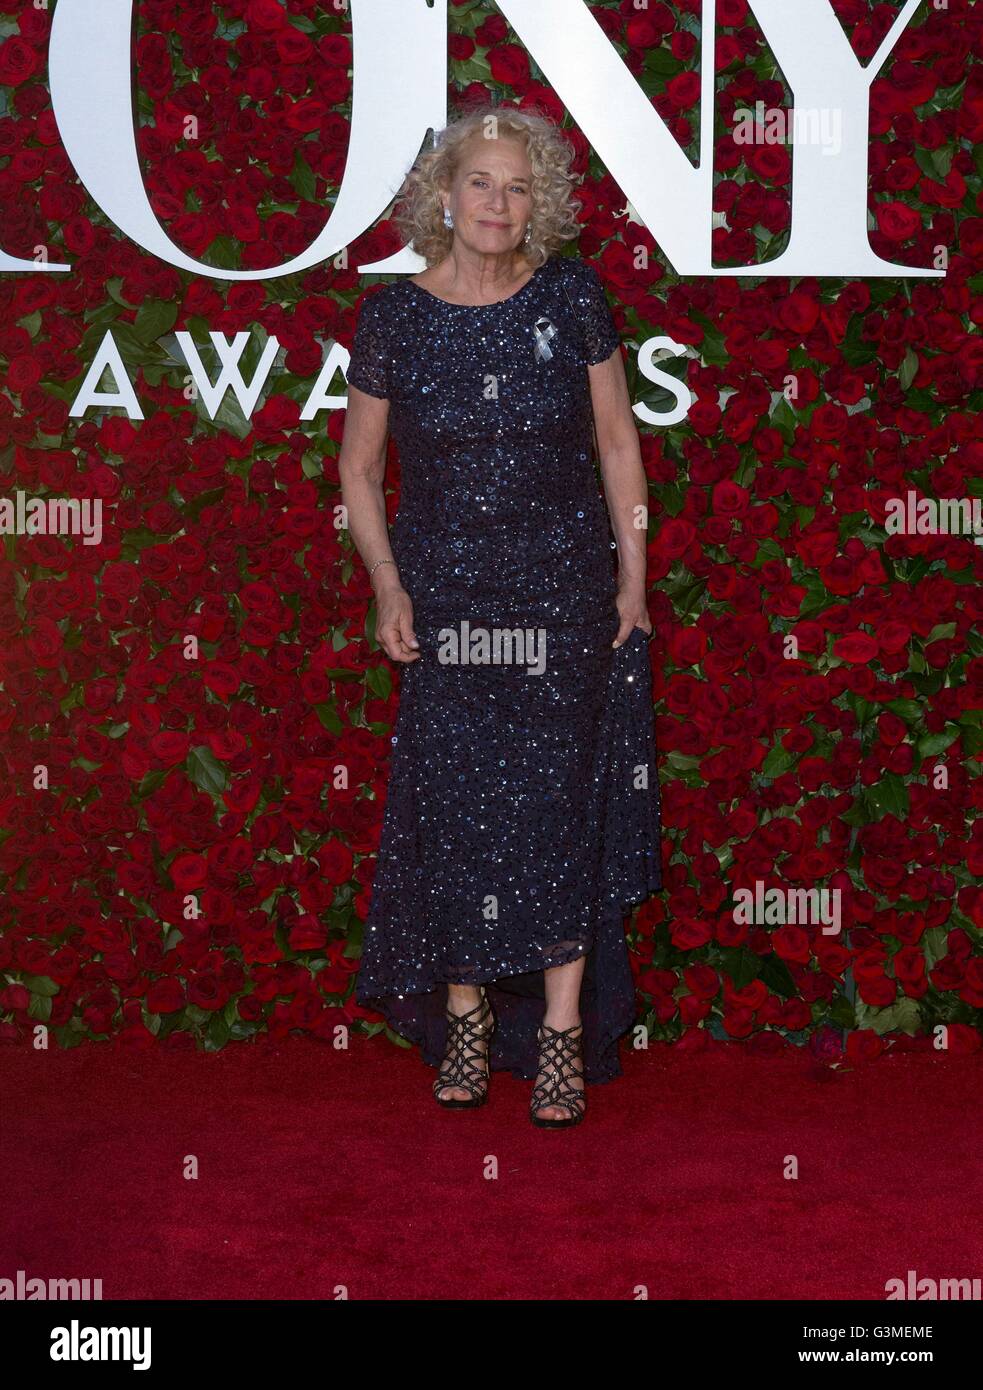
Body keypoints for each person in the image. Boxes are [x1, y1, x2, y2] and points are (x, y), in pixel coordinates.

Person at [339, 102, 662, 1129]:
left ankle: (562, 1033)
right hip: (446, 605)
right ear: (445, 193)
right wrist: (389, 586)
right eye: (481, 181)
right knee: (457, 810)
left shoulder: (570, 298)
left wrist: (632, 581)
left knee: (556, 810)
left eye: (518, 187)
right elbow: (354, 472)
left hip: (561, 591)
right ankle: (466, 1021)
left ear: (541, 205)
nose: (498, 202)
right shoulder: (393, 318)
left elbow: (617, 444)